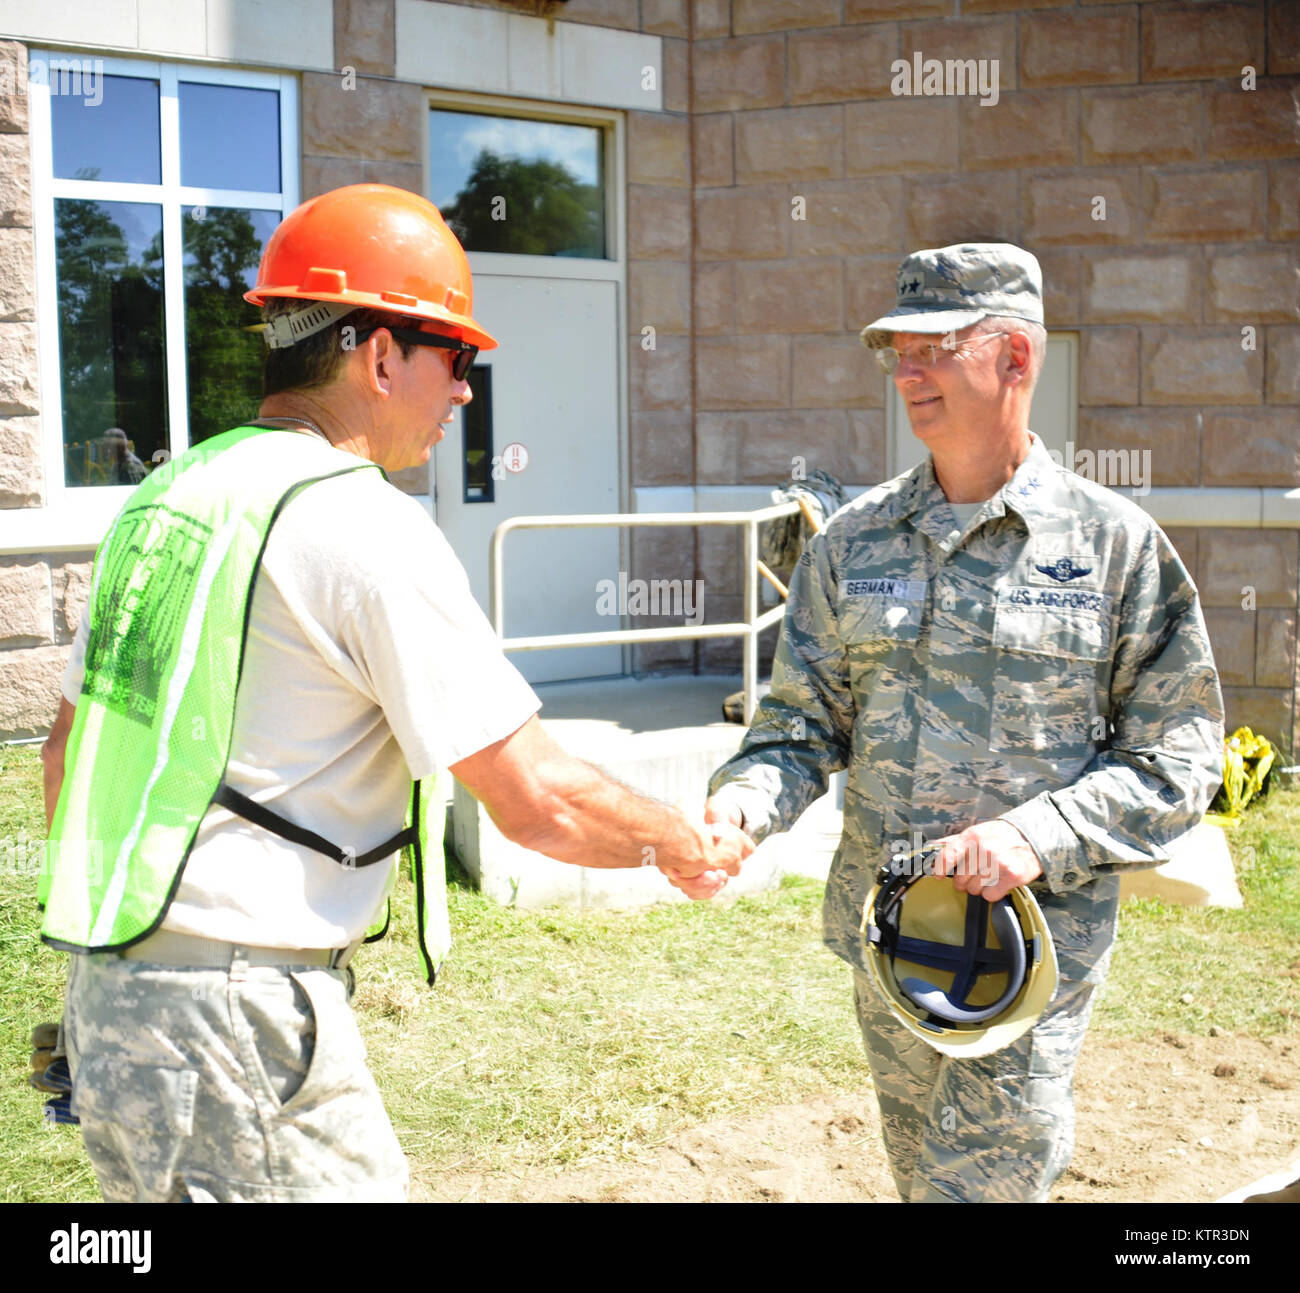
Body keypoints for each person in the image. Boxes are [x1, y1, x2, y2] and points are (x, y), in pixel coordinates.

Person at [40, 184, 752, 1203]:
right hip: (240, 1011)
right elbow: (535, 795)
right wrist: (677, 841)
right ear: (378, 355)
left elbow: (72, 751)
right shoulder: (359, 524)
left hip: (113, 988)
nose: (465, 390)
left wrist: (122, 980)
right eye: (455, 358)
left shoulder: (164, 500)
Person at [705, 243, 1224, 1203]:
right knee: (921, 1179)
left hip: (1030, 952)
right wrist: (741, 807)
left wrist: (1035, 835)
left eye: (933, 348)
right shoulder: (854, 541)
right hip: (889, 936)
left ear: (1016, 359)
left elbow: (1177, 760)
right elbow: (798, 726)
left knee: (977, 1190)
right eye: (897, 351)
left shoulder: (1114, 548)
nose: (906, 372)